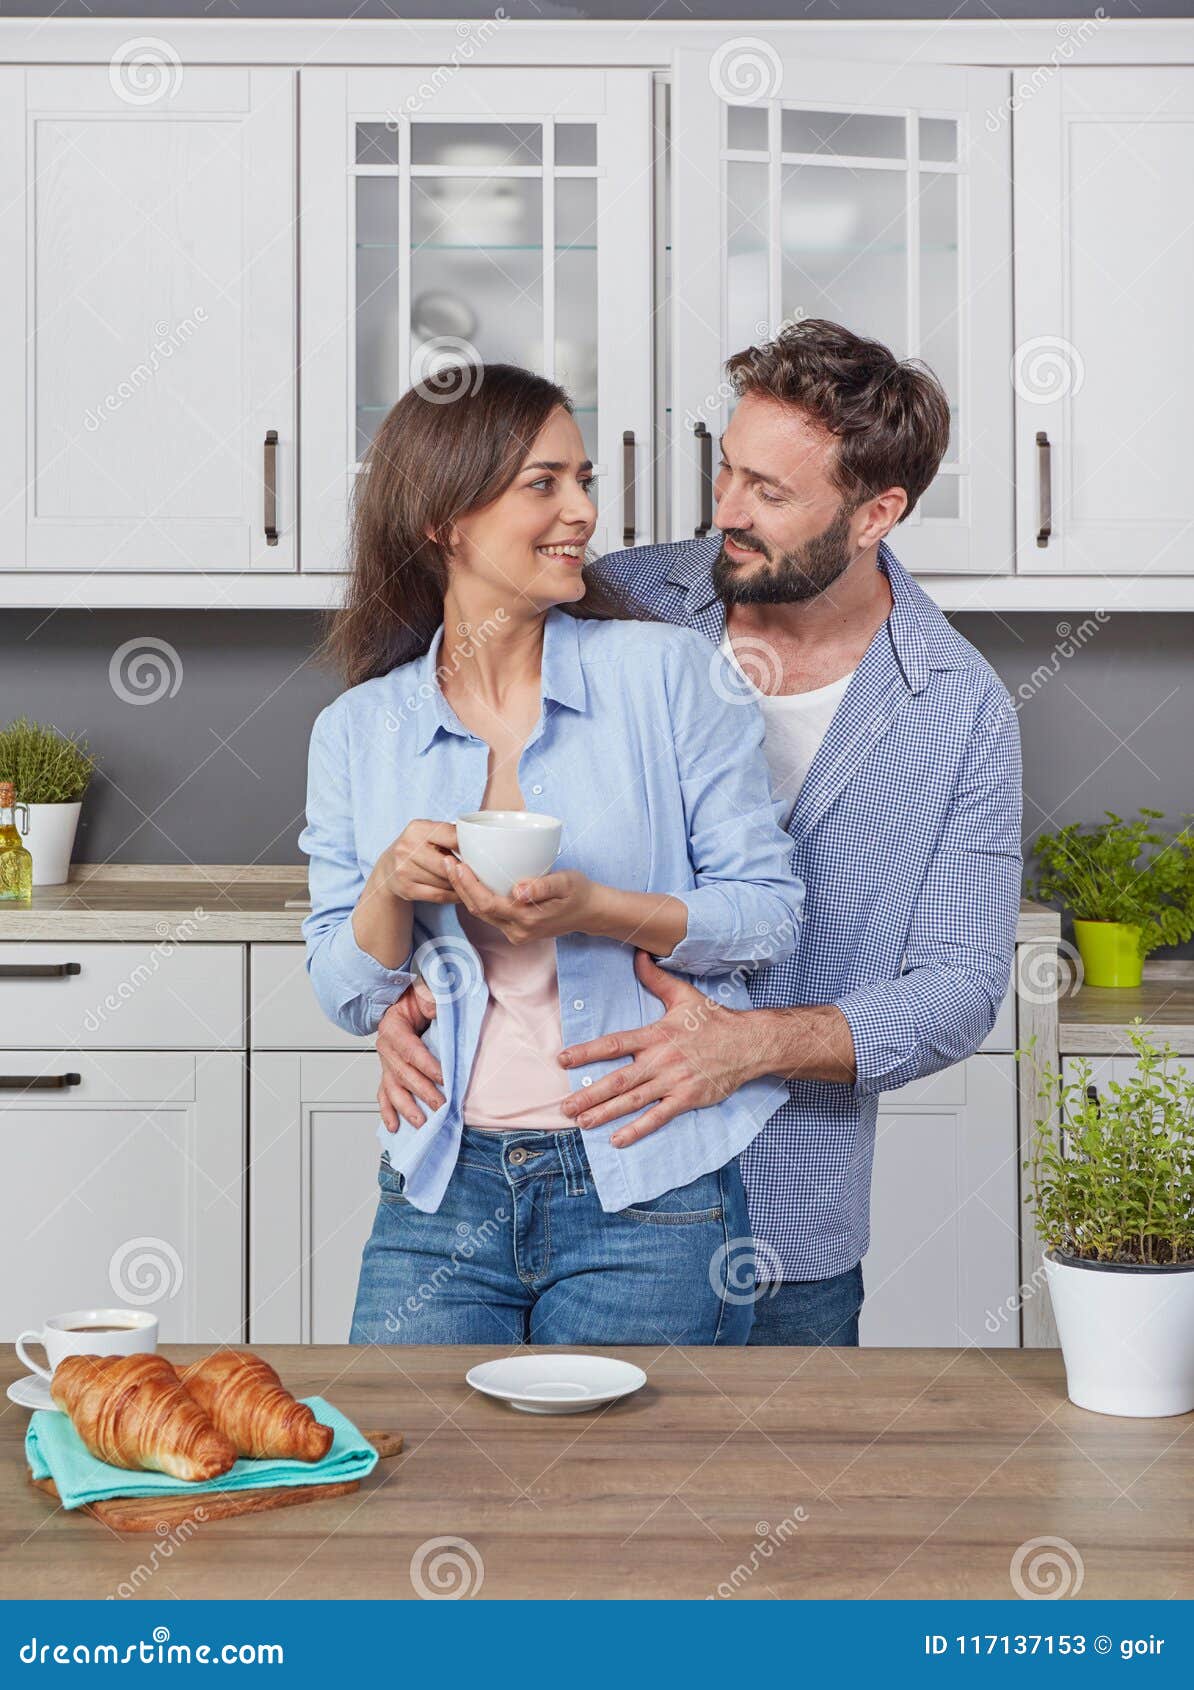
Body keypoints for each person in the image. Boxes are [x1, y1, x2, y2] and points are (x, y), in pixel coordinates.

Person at [375, 319, 1024, 1348]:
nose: (727, 511)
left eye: (771, 493)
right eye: (728, 471)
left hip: (783, 1224)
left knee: (736, 1507)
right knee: (469, 1491)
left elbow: (959, 987)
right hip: (551, 1172)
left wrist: (752, 1047)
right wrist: (407, 990)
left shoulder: (958, 709)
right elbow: (439, 778)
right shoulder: (614, 602)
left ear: (876, 513)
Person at [297, 362, 806, 1348]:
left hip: (646, 1178)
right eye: (545, 483)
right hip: (439, 1185)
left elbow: (769, 911)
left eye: (584, 480)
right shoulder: (359, 731)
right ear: (444, 518)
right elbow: (346, 989)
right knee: (412, 1486)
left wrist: (598, 910)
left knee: (626, 1499)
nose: (581, 510)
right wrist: (388, 888)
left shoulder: (666, 677)